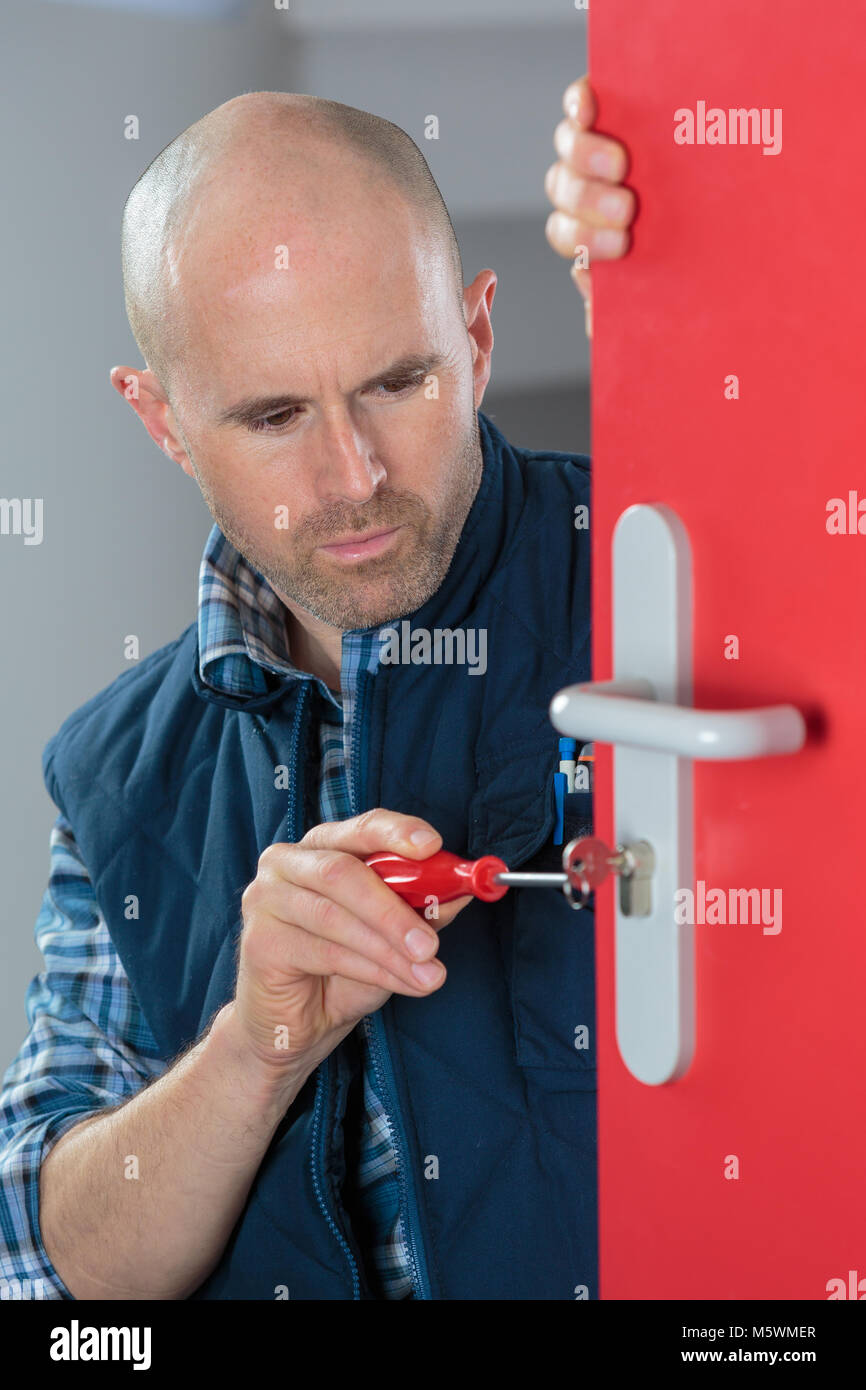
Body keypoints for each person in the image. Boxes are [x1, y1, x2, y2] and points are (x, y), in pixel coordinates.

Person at [0, 76, 635, 1301]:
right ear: (165, 423)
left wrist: (737, 337)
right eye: (275, 412)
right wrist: (255, 1047)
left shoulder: (665, 567)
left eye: (399, 382)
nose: (353, 477)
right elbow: (52, 1272)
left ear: (478, 336)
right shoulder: (111, 778)